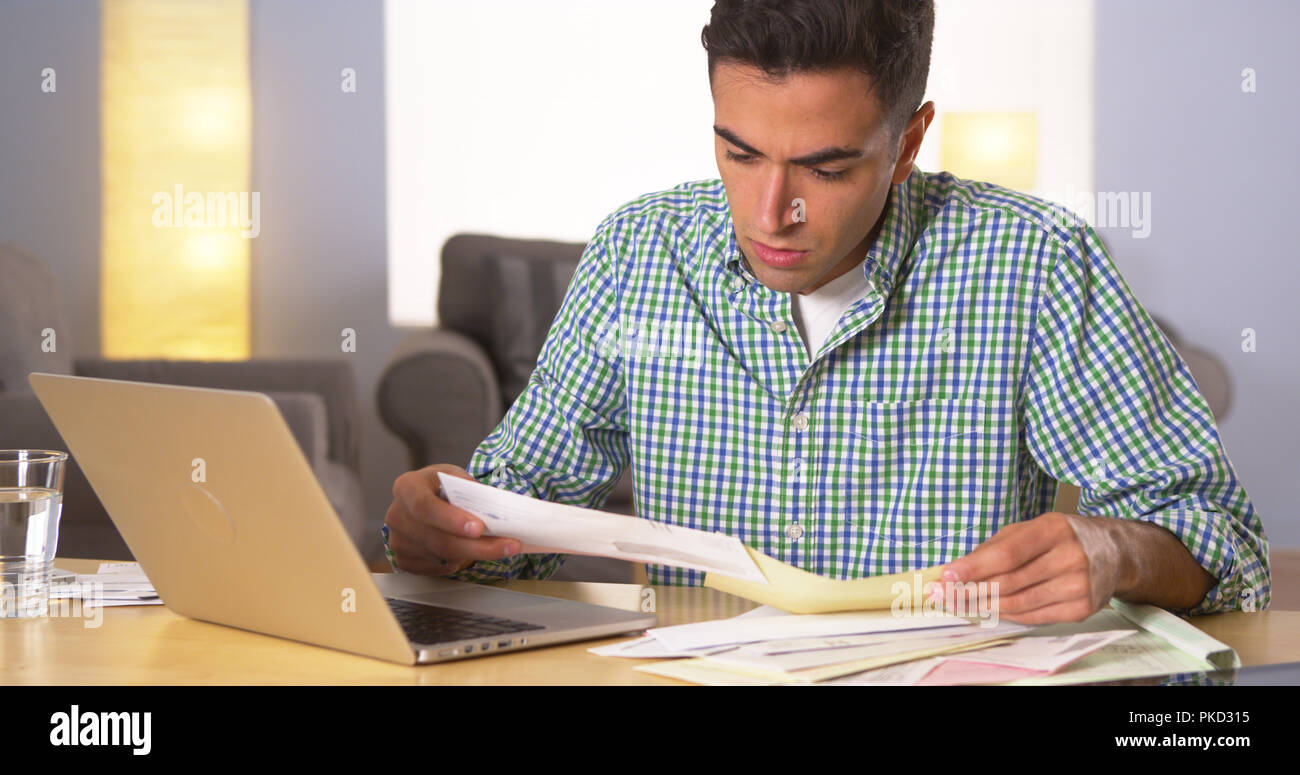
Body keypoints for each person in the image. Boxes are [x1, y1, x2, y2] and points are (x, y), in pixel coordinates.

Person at [383, 0, 1269, 624]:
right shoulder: (638, 254)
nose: (771, 214)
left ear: (909, 142)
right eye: (740, 153)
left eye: (826, 169)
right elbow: (514, 517)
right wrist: (442, 528)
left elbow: (1225, 547)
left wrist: (1118, 552)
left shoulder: (1036, 264)